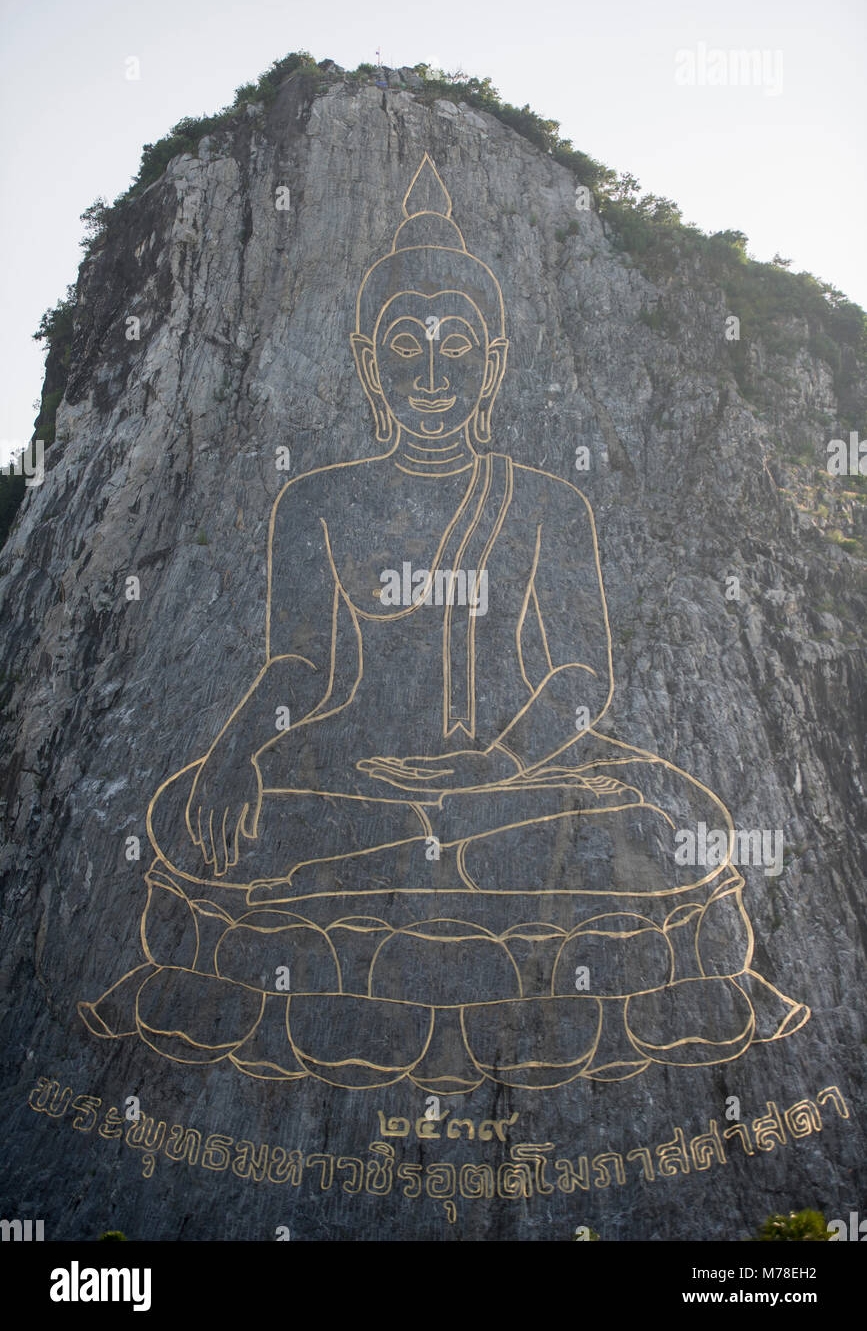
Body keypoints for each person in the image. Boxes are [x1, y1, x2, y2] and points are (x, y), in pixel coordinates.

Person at [80, 156, 808, 1092]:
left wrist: (497, 766)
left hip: (524, 775)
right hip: (358, 775)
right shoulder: (319, 501)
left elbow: (582, 677)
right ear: (368, 361)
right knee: (200, 818)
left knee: (678, 828)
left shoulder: (546, 503)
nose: (431, 371)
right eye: (404, 346)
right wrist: (231, 752)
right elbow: (300, 664)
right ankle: (453, 921)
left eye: (455, 344)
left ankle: (405, 920)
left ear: (492, 362)